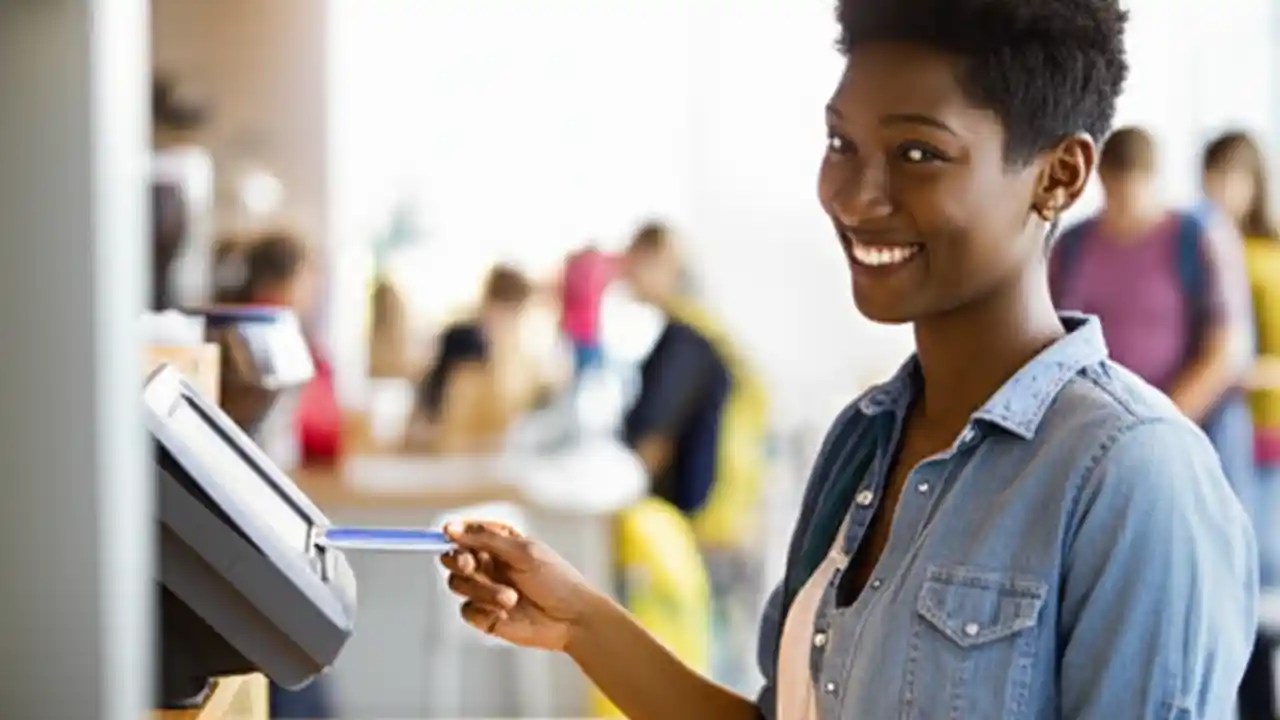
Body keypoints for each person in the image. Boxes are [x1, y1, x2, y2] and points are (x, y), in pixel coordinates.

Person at [440, 1, 1257, 718]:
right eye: (842, 143)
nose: (854, 195)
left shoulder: (1134, 476)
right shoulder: (862, 443)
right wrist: (581, 622)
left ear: (1059, 175)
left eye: (917, 154)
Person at [1051, 127, 1256, 508]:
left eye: (1134, 194)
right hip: (1096, 439)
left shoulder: (1196, 239)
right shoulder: (1073, 245)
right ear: (1100, 179)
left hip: (1190, 433)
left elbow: (1227, 351)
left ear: (1154, 179)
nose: (1123, 209)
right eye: (1115, 194)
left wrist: (1156, 428)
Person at [1203, 130, 1280, 720]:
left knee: (1257, 590)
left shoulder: (1265, 259)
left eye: (1232, 177)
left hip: (1264, 442)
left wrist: (1231, 369)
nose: (1219, 189)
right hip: (1218, 440)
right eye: (1213, 174)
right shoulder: (1199, 249)